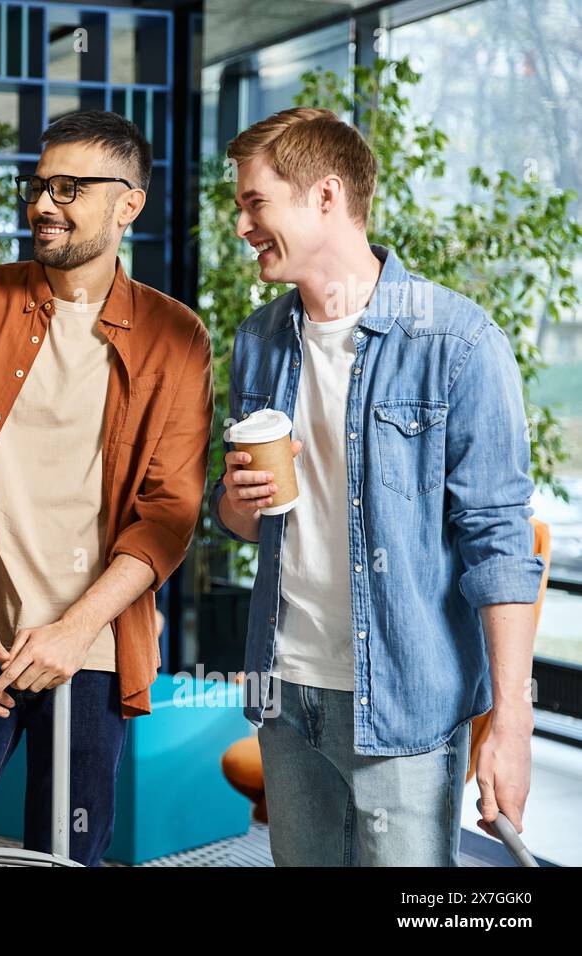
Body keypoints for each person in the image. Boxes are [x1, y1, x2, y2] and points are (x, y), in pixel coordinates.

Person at [0, 110, 213, 866]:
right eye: (37, 186)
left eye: (68, 188)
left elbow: (169, 512)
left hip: (90, 648)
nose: (42, 205)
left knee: (68, 859)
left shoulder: (177, 336)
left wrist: (73, 631)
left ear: (129, 203)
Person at [212, 107, 543, 866]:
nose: (241, 226)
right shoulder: (260, 341)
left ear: (325, 196)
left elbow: (500, 547)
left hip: (403, 702)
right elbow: (238, 521)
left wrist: (514, 726)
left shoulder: (457, 343)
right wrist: (236, 502)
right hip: (287, 692)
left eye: (255, 203)